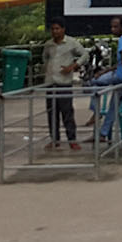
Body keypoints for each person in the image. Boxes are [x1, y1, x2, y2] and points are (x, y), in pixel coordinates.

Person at [89, 16, 122, 142]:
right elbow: (120, 63)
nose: (113, 29)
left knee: (92, 82)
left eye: (116, 26)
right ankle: (103, 133)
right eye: (112, 26)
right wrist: (105, 71)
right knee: (114, 106)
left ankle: (96, 111)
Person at [42, 21, 84, 150]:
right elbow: (45, 58)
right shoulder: (49, 44)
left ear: (63, 29)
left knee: (67, 113)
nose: (55, 31)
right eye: (53, 29)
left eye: (57, 28)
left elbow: (84, 54)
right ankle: (54, 139)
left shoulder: (71, 43)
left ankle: (72, 139)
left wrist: (73, 66)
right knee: (52, 113)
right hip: (50, 82)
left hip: (64, 83)